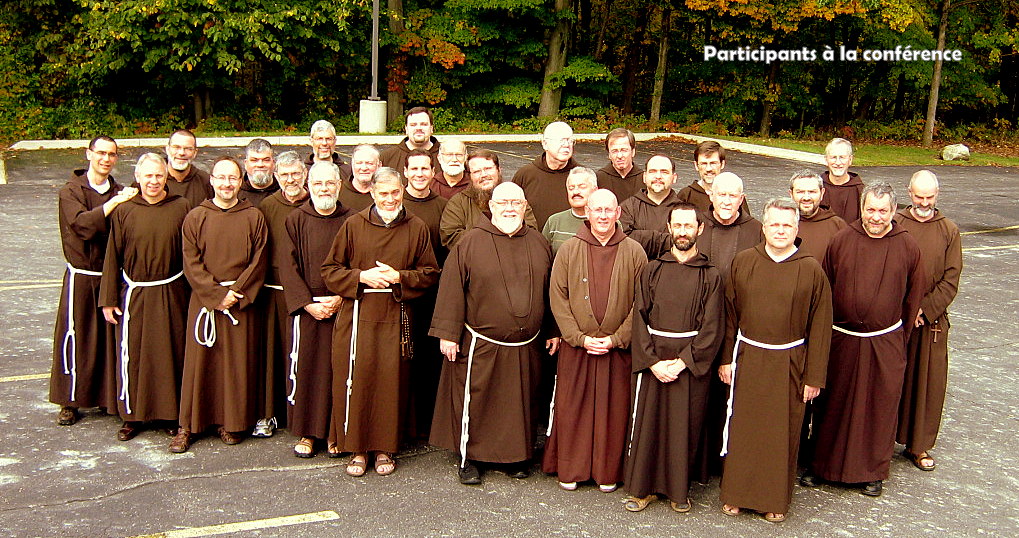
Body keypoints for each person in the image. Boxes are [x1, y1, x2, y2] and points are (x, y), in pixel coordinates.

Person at [430, 182, 559, 485]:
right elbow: (451, 288)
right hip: (481, 344)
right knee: (478, 403)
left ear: (525, 206)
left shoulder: (539, 243)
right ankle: (470, 458)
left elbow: (549, 291)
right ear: (491, 206)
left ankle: (516, 457)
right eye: (503, 203)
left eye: (516, 202)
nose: (510, 208)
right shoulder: (470, 242)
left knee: (518, 404)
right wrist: (448, 333)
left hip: (526, 345)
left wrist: (553, 329)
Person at [803, 182, 925, 497]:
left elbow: (912, 300)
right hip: (841, 339)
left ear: (893, 211)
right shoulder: (842, 240)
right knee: (832, 405)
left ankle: (871, 471)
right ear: (861, 209)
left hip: (884, 342)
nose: (875, 217)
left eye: (882, 211)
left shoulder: (907, 246)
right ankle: (822, 466)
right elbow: (825, 288)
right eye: (870, 209)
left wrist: (898, 339)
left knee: (878, 408)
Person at [718, 198, 833, 523]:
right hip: (749, 358)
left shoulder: (811, 269)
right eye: (774, 225)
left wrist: (814, 377)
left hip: (790, 364)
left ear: (796, 229)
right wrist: (726, 359)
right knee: (744, 428)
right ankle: (736, 494)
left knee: (781, 433)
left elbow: (821, 327)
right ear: (764, 227)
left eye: (787, 225)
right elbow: (730, 316)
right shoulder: (744, 262)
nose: (780, 230)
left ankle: (774, 500)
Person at [322, 167, 440, 477]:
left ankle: (385, 448)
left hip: (396, 314)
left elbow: (429, 273)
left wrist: (398, 277)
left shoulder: (416, 227)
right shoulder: (353, 225)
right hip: (358, 315)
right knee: (357, 380)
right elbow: (330, 270)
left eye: (395, 193)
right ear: (372, 194)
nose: (389, 199)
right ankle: (357, 449)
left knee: (390, 381)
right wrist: (362, 276)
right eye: (383, 194)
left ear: (403, 191)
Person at [623, 203, 725, 514]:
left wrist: (682, 362)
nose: (682, 231)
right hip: (654, 358)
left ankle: (678, 490)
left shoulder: (712, 275)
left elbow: (712, 327)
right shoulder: (652, 269)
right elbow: (639, 317)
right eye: (677, 225)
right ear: (669, 229)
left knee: (684, 427)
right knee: (649, 425)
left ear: (699, 229)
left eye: (688, 225)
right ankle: (643, 488)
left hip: (688, 361)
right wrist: (652, 362)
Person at [542, 189, 647, 492]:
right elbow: (557, 297)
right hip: (578, 348)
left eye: (608, 210)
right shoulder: (569, 250)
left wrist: (617, 338)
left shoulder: (634, 251)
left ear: (618, 214)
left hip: (617, 350)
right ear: (587, 213)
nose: (602, 216)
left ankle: (607, 471)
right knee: (573, 409)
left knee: (612, 413)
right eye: (596, 210)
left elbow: (641, 304)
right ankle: (571, 469)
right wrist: (577, 337)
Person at [170, 156, 268, 453]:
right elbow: (191, 262)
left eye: (233, 178)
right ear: (211, 180)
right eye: (221, 177)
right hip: (205, 303)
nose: (227, 183)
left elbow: (259, 259)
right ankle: (189, 425)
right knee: (200, 365)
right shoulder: (196, 217)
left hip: (239, 303)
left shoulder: (253, 216)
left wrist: (236, 292)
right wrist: (215, 295)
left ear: (241, 182)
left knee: (235, 366)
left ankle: (231, 422)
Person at [99, 153, 192, 440]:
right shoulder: (125, 209)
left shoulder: (181, 206)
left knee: (170, 355)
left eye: (159, 175)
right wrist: (108, 298)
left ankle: (169, 414)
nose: (154, 181)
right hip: (135, 293)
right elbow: (113, 254)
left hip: (171, 292)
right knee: (134, 356)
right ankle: (133, 416)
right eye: (148, 176)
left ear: (166, 177)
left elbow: (190, 253)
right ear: (138, 177)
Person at [50, 135, 137, 426]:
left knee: (109, 340)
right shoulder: (71, 191)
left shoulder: (120, 190)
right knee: (79, 338)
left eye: (112, 154)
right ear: (88, 154)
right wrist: (114, 204)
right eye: (100, 153)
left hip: (112, 276)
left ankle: (107, 397)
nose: (106, 159)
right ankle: (70, 399)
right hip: (83, 278)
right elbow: (83, 226)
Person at [279, 162, 351, 458]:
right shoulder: (295, 219)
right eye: (318, 183)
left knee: (340, 371)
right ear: (309, 185)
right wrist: (306, 303)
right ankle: (308, 432)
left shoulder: (353, 220)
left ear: (339, 185)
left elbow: (358, 262)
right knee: (308, 370)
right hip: (308, 308)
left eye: (329, 183)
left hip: (341, 306)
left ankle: (335, 433)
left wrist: (340, 297)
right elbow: (287, 264)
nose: (324, 188)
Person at [894, 170, 962, 472]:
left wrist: (924, 309)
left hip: (930, 322)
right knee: (889, 383)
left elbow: (951, 278)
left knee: (926, 384)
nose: (924, 202)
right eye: (919, 196)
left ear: (938, 194)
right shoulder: (896, 222)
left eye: (929, 197)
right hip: (895, 318)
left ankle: (919, 445)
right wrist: (905, 309)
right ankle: (881, 441)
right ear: (909, 192)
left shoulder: (949, 230)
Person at [695, 171, 761, 477]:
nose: (726, 200)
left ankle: (727, 461)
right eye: (721, 194)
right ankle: (699, 460)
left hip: (738, 324)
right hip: (699, 324)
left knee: (730, 394)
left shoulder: (756, 230)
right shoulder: (695, 227)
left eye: (733, 195)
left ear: (742, 199)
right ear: (710, 195)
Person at [253, 151, 310, 438]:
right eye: (285, 175)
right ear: (277, 177)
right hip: (275, 293)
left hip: (308, 294)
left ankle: (304, 413)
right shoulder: (266, 206)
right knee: (275, 356)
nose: (291, 180)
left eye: (296, 174)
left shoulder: (316, 204)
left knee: (304, 356)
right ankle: (270, 413)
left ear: (305, 175)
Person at [402, 149, 449, 439]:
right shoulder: (396, 202)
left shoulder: (444, 205)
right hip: (402, 295)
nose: (419, 174)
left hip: (434, 293)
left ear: (434, 173)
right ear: (405, 172)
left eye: (425, 169)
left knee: (431, 359)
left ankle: (428, 421)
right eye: (414, 169)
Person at [439, 149, 537, 249]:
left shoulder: (515, 197)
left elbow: (531, 230)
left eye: (488, 168)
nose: (484, 175)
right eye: (477, 171)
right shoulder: (458, 203)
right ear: (470, 176)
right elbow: (450, 236)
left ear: (499, 170)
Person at [511, 121, 580, 229]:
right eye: (561, 140)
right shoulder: (525, 175)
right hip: (532, 243)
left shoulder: (582, 176)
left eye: (570, 140)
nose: (566, 145)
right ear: (545, 143)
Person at [619, 154, 683, 258]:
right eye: (653, 171)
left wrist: (641, 236)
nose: (658, 176)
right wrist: (665, 239)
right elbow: (623, 242)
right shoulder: (628, 207)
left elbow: (685, 244)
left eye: (664, 172)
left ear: (674, 178)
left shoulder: (683, 211)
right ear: (644, 177)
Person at [789, 169, 847, 265]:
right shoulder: (782, 224)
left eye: (812, 192)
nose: (806, 197)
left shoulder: (838, 226)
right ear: (791, 194)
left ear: (822, 193)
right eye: (800, 192)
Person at [676, 141, 749, 216]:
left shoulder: (734, 194)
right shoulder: (686, 195)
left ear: (722, 164)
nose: (708, 169)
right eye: (704, 164)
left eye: (713, 163)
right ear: (696, 165)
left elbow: (746, 224)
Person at [541, 167, 598, 257]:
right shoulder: (554, 222)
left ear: (595, 190)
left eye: (582, 187)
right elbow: (543, 258)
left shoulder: (607, 221)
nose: (575, 191)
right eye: (571, 188)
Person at [380, 106, 441, 170]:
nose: (418, 128)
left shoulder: (445, 156)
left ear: (431, 128)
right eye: (413, 125)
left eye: (423, 124)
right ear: (406, 129)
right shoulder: (387, 157)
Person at [164, 129, 212, 208]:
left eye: (188, 149)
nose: (181, 153)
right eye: (176, 147)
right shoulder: (154, 180)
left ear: (195, 153)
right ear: (167, 149)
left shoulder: (206, 181)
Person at [819, 138, 864, 224]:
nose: (838, 162)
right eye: (833, 157)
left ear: (850, 160)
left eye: (842, 157)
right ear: (826, 160)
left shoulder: (860, 190)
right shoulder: (816, 186)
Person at [595, 128, 643, 203]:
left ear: (633, 152)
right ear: (609, 155)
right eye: (614, 151)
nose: (619, 156)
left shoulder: (644, 180)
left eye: (624, 150)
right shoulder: (599, 179)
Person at [339, 144, 380, 211]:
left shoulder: (386, 194)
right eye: (359, 163)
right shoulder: (339, 192)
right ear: (352, 165)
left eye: (369, 163)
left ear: (379, 165)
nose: (364, 168)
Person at [239, 138, 278, 206]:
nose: (260, 165)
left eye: (266, 160)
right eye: (254, 160)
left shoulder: (285, 191)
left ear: (273, 163)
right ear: (245, 163)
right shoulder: (235, 192)